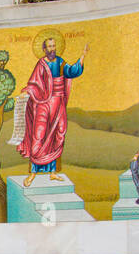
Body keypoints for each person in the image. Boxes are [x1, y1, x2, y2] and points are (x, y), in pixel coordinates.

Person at [17, 36, 88, 186]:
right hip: (43, 103)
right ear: (44, 49)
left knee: (59, 133)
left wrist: (82, 56)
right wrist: (27, 91)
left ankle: (53, 172)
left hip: (59, 102)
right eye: (49, 46)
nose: (52, 49)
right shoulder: (41, 64)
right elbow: (34, 83)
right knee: (39, 134)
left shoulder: (60, 62)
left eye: (54, 46)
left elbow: (71, 71)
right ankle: (33, 172)